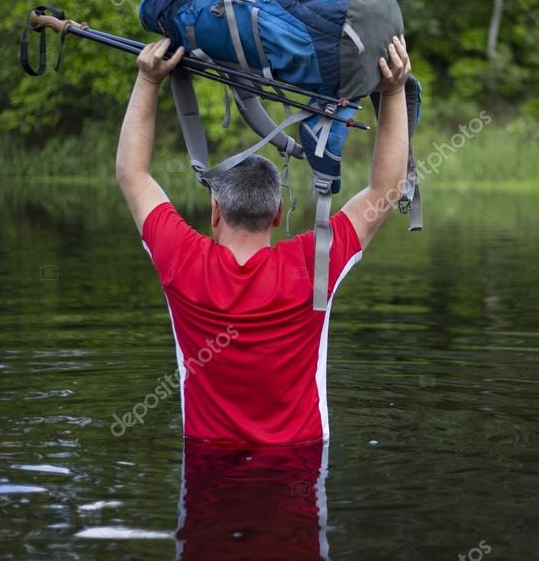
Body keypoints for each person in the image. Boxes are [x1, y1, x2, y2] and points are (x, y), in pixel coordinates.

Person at [115, 35, 412, 447]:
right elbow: (385, 191)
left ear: (215, 211)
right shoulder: (313, 263)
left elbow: (132, 174)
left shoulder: (182, 259)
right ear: (276, 214)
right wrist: (394, 91)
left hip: (208, 473)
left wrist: (148, 80)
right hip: (300, 468)